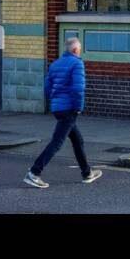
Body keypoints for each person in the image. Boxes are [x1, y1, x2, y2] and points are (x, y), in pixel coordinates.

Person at [24, 37, 102, 188]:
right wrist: (79, 107)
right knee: (57, 142)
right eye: (79, 49)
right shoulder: (77, 63)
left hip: (58, 108)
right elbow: (78, 89)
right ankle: (34, 172)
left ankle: (87, 173)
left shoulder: (55, 64)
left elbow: (47, 87)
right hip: (69, 109)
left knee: (77, 139)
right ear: (75, 50)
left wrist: (55, 100)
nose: (80, 51)